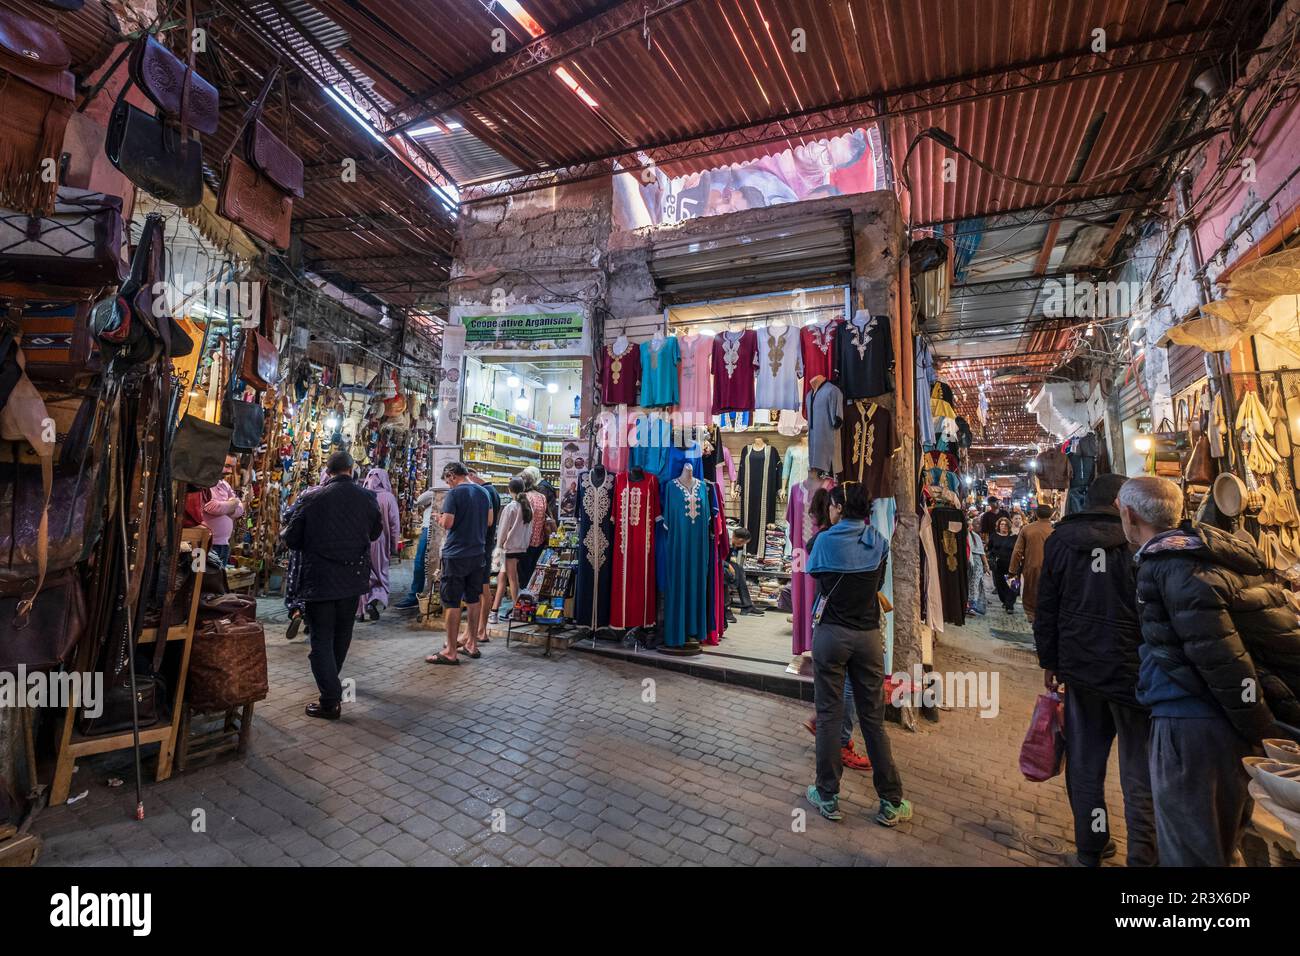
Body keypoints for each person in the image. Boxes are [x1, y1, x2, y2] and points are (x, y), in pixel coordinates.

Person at [1119, 475, 1300, 866]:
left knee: (1192, 850)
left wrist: (1261, 728)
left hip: (1194, 726)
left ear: (1129, 516)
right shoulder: (1212, 552)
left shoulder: (1172, 567)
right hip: (1218, 723)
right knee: (1219, 843)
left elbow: (1222, 658)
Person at [1034, 473, 1156, 867]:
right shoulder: (1141, 544)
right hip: (1136, 673)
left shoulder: (1062, 541)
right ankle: (1143, 856)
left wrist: (1049, 662)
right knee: (1139, 774)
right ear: (1124, 503)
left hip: (1082, 669)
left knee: (1086, 765)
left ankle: (1092, 845)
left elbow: (1045, 608)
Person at [804, 482, 911, 827]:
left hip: (832, 635)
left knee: (829, 715)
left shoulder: (823, 542)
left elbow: (818, 581)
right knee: (873, 721)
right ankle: (891, 802)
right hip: (867, 638)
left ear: (838, 505)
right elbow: (878, 585)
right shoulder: (878, 542)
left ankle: (828, 796)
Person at [282, 451, 382, 719]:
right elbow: (375, 533)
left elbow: (291, 538)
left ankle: (330, 698)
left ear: (328, 471)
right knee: (341, 634)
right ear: (351, 470)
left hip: (320, 579)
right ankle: (331, 686)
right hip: (352, 579)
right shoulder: (368, 498)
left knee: (321, 638)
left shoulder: (311, 498)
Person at [428, 461, 492, 666]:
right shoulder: (484, 493)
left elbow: (448, 523)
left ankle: (450, 650)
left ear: (452, 476)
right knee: (473, 599)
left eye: (448, 481)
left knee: (452, 601)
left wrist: (439, 518)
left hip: (456, 554)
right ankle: (472, 644)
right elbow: (489, 521)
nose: (449, 485)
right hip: (478, 552)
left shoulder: (455, 494)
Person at [357, 467, 401, 623]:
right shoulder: (388, 498)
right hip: (379, 541)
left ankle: (360, 612)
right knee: (379, 574)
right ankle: (373, 600)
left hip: (360, 541)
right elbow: (394, 524)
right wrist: (395, 546)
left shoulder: (361, 495)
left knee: (362, 575)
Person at [490, 477, 533, 624]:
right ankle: (494, 611)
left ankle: (516, 610)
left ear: (509, 490)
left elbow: (502, 530)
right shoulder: (527, 507)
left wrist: (499, 546)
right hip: (520, 548)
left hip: (508, 549)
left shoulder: (511, 507)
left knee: (512, 579)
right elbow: (529, 530)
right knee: (503, 579)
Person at [465, 467, 501, 647]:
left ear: (471, 475)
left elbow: (485, 522)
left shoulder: (485, 492)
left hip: (482, 546)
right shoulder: (492, 491)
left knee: (482, 589)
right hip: (486, 545)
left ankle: (480, 631)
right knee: (482, 588)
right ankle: (480, 630)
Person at [394, 484, 437, 611]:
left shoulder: (436, 490)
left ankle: (417, 596)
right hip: (434, 527)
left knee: (420, 562)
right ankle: (421, 596)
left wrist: (432, 491)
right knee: (424, 562)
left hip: (430, 527)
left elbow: (419, 501)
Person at [1009, 503, 1054, 624]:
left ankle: (1032, 616)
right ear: (1051, 515)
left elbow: (1017, 552)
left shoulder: (1027, 529)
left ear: (1035, 514)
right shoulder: (1056, 530)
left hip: (1031, 567)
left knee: (1031, 592)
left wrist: (1012, 570)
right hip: (1052, 568)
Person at [201, 456, 245, 567]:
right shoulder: (205, 483)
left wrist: (227, 507)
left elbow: (240, 510)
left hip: (224, 545)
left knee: (217, 580)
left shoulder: (225, 485)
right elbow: (212, 507)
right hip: (206, 544)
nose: (230, 471)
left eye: (232, 467)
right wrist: (232, 504)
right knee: (201, 580)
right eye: (227, 466)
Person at [516, 468, 552, 587]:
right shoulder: (541, 496)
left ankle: (522, 599)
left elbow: (520, 520)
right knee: (533, 572)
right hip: (539, 540)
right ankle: (531, 598)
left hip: (525, 541)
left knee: (522, 575)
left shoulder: (524, 497)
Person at [724, 528, 763, 621]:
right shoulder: (724, 539)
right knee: (725, 574)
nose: (742, 545)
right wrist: (728, 565)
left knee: (740, 569)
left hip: (724, 562)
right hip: (714, 562)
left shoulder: (735, 543)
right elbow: (715, 555)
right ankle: (726, 610)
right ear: (739, 539)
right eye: (742, 543)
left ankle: (747, 606)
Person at [987, 515, 1018, 613]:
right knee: (1000, 586)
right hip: (998, 565)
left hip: (1011, 564)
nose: (1003, 526)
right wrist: (991, 558)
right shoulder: (994, 536)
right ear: (999, 526)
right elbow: (989, 549)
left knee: (1013, 585)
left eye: (1005, 524)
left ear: (1008, 526)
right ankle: (1005, 601)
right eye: (1001, 524)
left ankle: (1010, 605)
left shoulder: (1014, 537)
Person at [966, 524, 989, 616]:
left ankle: (973, 605)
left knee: (975, 584)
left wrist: (986, 565)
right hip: (966, 561)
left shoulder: (976, 537)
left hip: (976, 562)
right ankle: (966, 604)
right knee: (967, 584)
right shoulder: (961, 536)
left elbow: (982, 552)